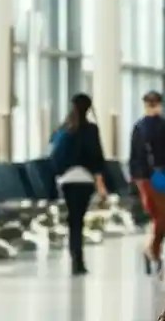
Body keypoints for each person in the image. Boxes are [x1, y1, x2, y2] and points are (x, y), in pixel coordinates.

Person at [50, 93, 108, 276]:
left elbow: (55, 157)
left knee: (72, 220)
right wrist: (101, 185)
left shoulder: (65, 128)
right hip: (84, 180)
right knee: (79, 220)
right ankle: (79, 260)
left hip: (67, 181)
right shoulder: (92, 130)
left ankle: (74, 256)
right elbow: (97, 159)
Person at [129, 90, 165, 275]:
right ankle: (153, 250)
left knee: (164, 215)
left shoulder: (141, 127)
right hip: (155, 177)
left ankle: (152, 249)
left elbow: (135, 157)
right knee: (164, 214)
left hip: (150, 177)